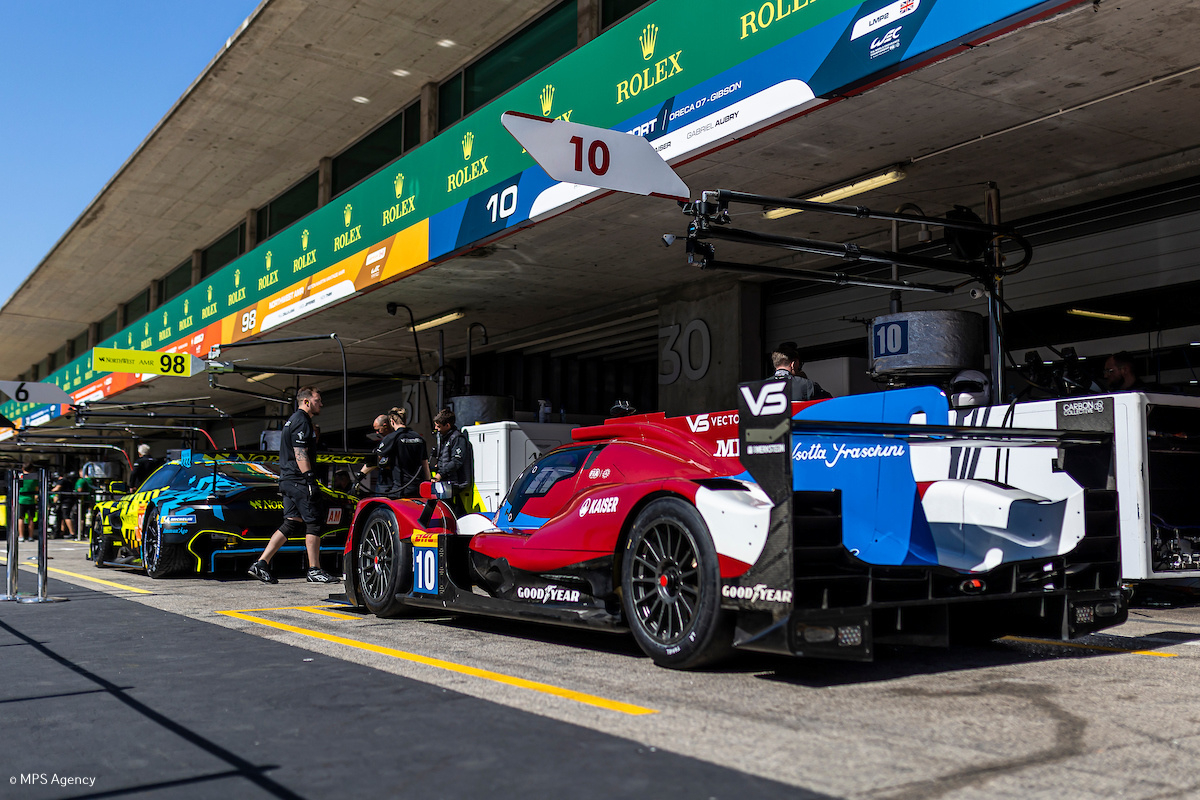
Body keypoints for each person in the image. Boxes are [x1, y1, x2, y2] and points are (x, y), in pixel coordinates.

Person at [247, 386, 339, 584]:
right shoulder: (301, 421)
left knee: (292, 522)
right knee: (314, 522)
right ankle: (314, 569)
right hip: (298, 480)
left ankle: (261, 563)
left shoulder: (292, 421)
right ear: (306, 401)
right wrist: (309, 479)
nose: (321, 404)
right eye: (318, 400)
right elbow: (300, 451)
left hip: (288, 480)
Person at [433, 408, 474, 515]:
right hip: (447, 483)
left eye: (438, 426)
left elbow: (456, 461)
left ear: (447, 425)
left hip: (455, 483)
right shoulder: (444, 437)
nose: (436, 429)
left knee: (454, 512)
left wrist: (440, 474)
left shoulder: (457, 438)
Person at [357, 414, 395, 493]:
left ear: (385, 426)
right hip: (383, 481)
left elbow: (377, 460)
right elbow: (375, 461)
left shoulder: (394, 439)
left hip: (392, 483)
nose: (377, 432)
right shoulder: (382, 441)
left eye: (378, 429)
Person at [17, 463, 39, 543]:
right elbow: (36, 489)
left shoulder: (20, 477)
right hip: (31, 499)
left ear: (23, 468)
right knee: (31, 519)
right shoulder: (34, 478)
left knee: (21, 518)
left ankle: (21, 536)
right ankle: (30, 536)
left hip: (21, 499)